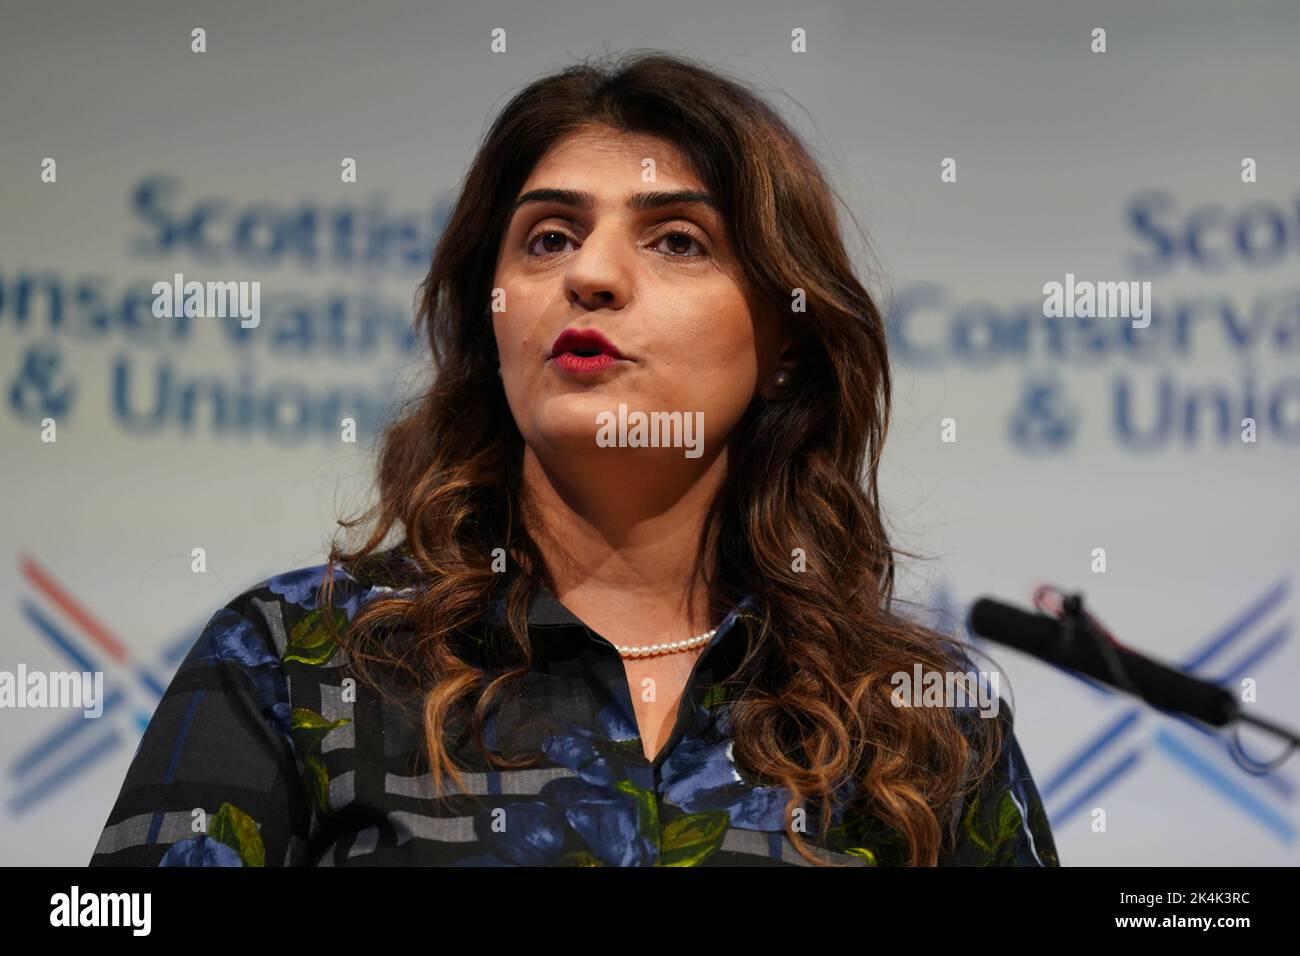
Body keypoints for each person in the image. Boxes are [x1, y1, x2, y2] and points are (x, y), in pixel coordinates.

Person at [89, 50, 1059, 867]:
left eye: (677, 240)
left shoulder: (917, 720)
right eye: (548, 237)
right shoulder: (298, 655)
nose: (590, 274)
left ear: (787, 340)